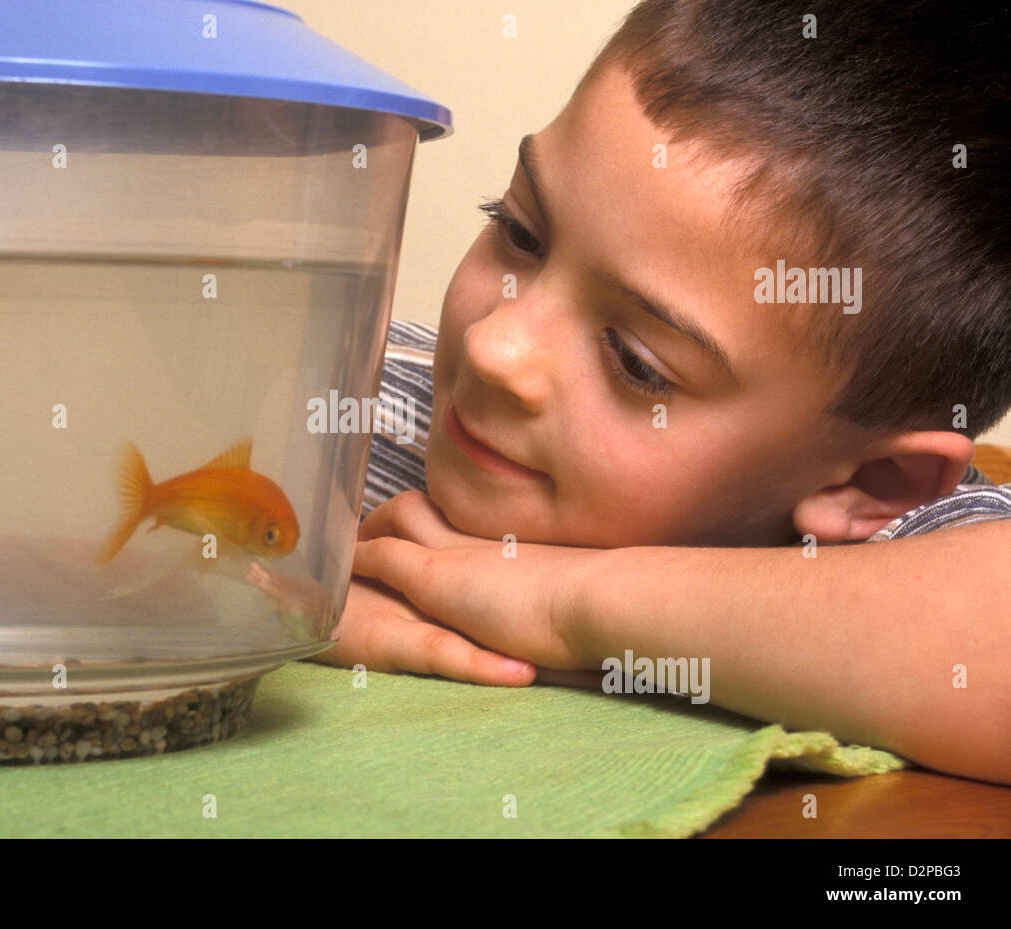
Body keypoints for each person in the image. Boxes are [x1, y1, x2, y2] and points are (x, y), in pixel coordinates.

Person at [308, 0, 1011, 785]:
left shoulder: (912, 550)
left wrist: (566, 603)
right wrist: (272, 599)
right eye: (519, 232)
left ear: (869, 482)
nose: (494, 345)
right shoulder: (359, 402)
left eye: (636, 361)